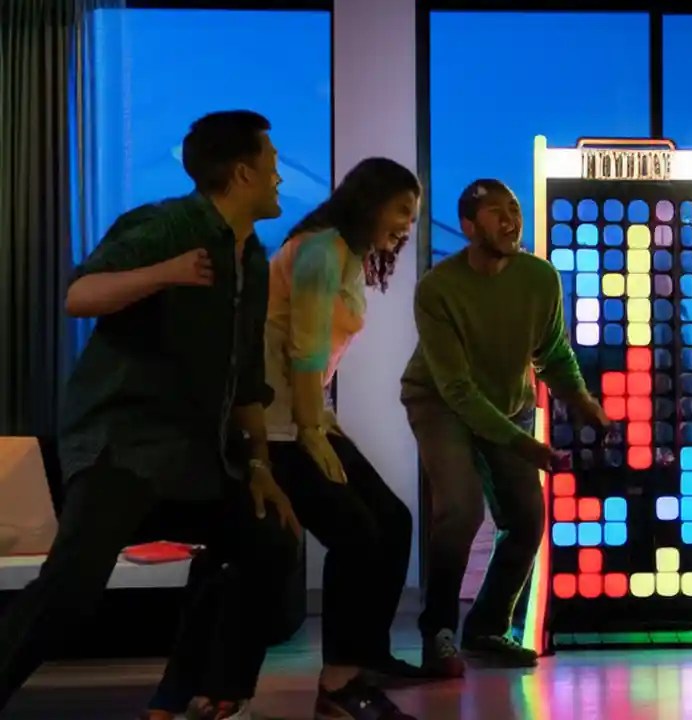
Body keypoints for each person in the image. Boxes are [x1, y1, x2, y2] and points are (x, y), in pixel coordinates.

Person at [0, 111, 302, 720]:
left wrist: (261, 466)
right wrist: (166, 273)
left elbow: (246, 374)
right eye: (271, 168)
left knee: (264, 540)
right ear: (242, 173)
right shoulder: (165, 225)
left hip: (196, 457)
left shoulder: (251, 260)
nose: (279, 180)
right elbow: (78, 295)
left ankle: (199, 692)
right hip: (124, 446)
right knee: (69, 591)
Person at [402, 179, 607, 669]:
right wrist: (525, 444)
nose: (510, 219)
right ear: (470, 227)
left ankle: (487, 629)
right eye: (496, 212)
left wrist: (582, 400)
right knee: (460, 511)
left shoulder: (540, 278)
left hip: (510, 404)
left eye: (513, 209)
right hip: (441, 405)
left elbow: (552, 352)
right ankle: (439, 633)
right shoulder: (438, 288)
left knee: (526, 520)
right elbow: (456, 390)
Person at [262, 157, 427, 719]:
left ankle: (367, 657)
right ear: (369, 200)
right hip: (278, 425)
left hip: (308, 415)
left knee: (395, 521)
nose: (408, 223)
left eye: (414, 213)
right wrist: (311, 430)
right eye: (402, 209)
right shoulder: (318, 249)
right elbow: (304, 348)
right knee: (357, 535)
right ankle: (337, 684)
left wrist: (321, 421)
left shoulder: (349, 255)